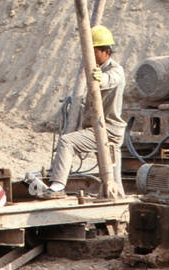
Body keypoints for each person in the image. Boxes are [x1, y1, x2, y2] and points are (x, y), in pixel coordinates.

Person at [28, 25, 125, 197]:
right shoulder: (97, 68)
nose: (89, 55)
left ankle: (57, 187)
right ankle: (117, 199)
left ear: (105, 51)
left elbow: (112, 80)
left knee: (67, 142)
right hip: (100, 128)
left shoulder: (114, 71)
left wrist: (100, 79)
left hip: (108, 130)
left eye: (93, 50)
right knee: (113, 178)